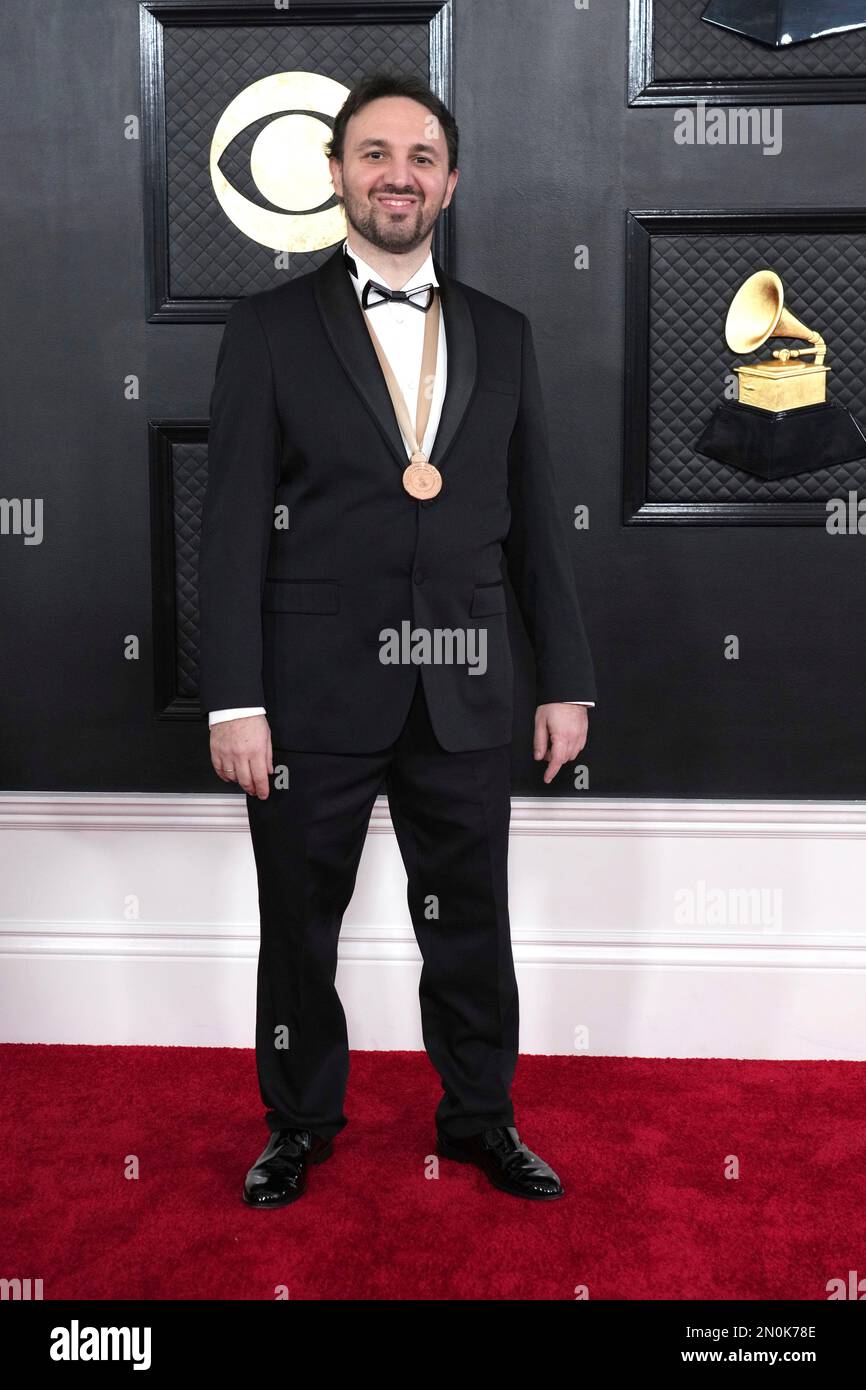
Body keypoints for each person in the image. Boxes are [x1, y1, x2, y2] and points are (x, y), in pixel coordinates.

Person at [197, 71, 597, 1208]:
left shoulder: (505, 335)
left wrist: (562, 680)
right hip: (309, 693)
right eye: (372, 155)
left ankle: (480, 1119)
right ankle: (298, 1125)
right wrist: (234, 700)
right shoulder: (267, 330)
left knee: (471, 923)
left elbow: (535, 525)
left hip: (466, 688)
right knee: (298, 929)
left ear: (450, 181)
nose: (396, 176)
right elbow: (228, 529)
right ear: (334, 175)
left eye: (419, 157)